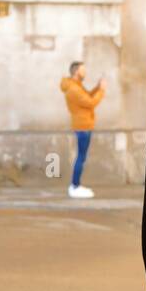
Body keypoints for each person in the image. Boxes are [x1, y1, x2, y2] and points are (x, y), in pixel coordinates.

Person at [60, 60, 105, 198]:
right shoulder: (73, 89)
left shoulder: (76, 86)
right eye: (83, 70)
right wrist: (102, 90)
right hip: (82, 127)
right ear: (76, 71)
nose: (85, 72)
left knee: (81, 156)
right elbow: (90, 102)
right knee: (81, 157)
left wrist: (97, 87)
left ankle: (76, 185)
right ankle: (75, 186)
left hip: (84, 126)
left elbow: (88, 96)